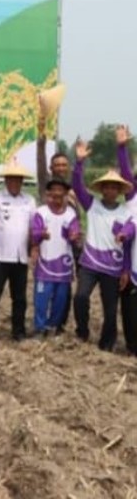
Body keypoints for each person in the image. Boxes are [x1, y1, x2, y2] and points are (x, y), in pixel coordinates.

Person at [72, 140, 134, 351]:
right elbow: (77, 186)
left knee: (110, 310)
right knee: (80, 297)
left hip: (112, 268)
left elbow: (128, 241)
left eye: (114, 187)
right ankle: (82, 332)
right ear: (102, 189)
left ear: (119, 190)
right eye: (107, 186)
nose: (110, 190)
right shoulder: (92, 205)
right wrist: (79, 163)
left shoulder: (126, 213)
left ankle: (106, 345)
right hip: (90, 263)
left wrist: (125, 269)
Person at [0, 160, 36, 340]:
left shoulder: (29, 200)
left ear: (22, 181)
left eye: (17, 179)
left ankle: (18, 331)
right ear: (5, 180)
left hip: (20, 256)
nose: (14, 182)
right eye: (10, 178)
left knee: (19, 297)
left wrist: (34, 247)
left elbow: (33, 226)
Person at [30, 179, 79, 336]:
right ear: (49, 193)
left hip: (63, 266)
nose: (57, 193)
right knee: (41, 299)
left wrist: (74, 236)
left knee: (60, 300)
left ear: (65, 194)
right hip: (45, 265)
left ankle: (53, 327)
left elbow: (74, 232)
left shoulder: (70, 214)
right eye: (54, 190)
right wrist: (41, 234)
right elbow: (34, 233)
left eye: (60, 190)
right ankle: (40, 327)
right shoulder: (41, 212)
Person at [114, 125, 137, 355]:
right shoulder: (133, 198)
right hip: (132, 266)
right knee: (130, 311)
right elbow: (126, 172)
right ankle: (131, 346)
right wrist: (122, 147)